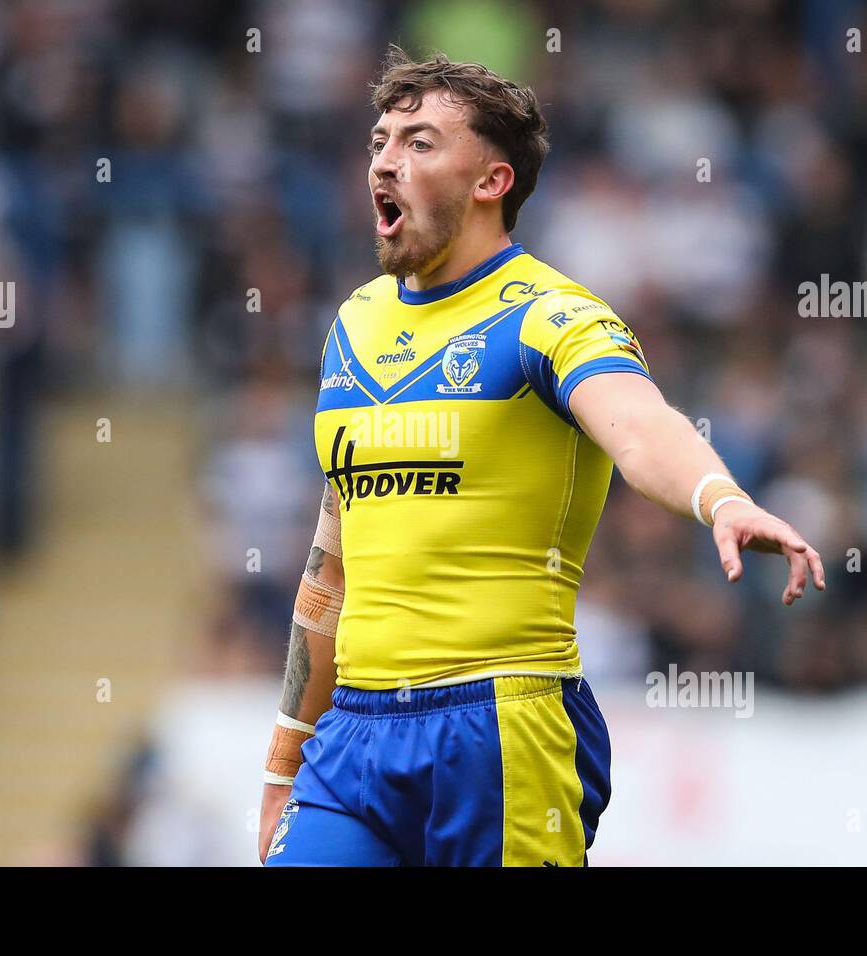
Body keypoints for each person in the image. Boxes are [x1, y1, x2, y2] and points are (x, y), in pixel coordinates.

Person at [259, 47, 825, 867]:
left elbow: (638, 424)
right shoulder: (353, 324)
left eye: (420, 143)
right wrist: (285, 758)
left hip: (499, 727)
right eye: (381, 140)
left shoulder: (551, 317)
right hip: (350, 740)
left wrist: (719, 496)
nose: (386, 159)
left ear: (492, 180)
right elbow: (330, 571)